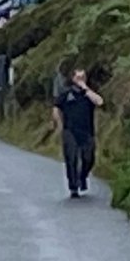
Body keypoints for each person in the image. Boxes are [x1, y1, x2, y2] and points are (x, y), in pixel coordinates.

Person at [52, 67, 103, 198]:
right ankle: (73, 187)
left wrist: (85, 88)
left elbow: (99, 102)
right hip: (70, 130)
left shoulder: (89, 94)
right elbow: (56, 108)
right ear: (72, 79)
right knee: (71, 158)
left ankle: (83, 177)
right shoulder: (66, 94)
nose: (80, 80)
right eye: (78, 77)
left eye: (83, 77)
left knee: (89, 158)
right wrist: (59, 125)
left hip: (87, 131)